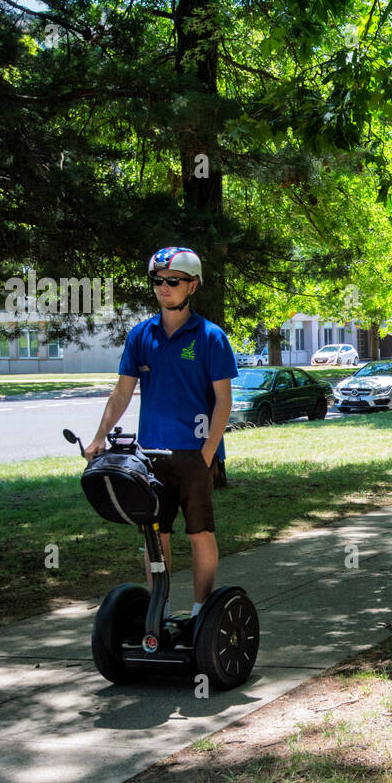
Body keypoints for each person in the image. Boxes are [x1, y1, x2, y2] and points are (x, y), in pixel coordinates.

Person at [86, 247, 237, 624]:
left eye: (173, 282)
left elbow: (223, 401)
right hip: (149, 455)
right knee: (156, 536)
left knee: (199, 533)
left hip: (194, 453)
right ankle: (161, 613)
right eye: (157, 281)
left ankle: (203, 616)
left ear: (193, 285)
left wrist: (207, 454)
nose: (163, 288)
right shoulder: (141, 335)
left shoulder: (210, 337)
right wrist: (98, 437)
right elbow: (121, 392)